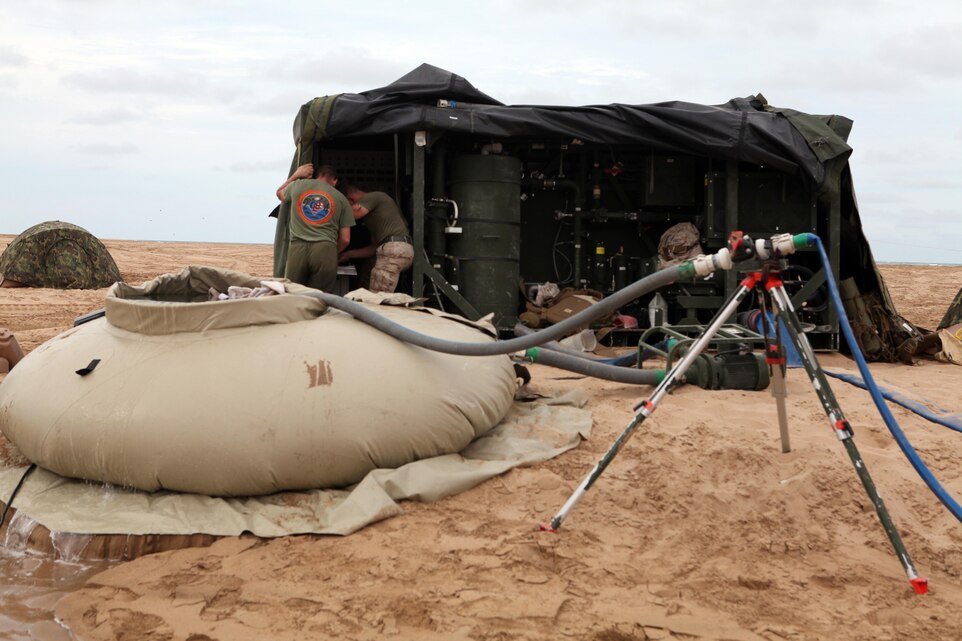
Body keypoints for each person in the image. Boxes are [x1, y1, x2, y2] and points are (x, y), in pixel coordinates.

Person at [275, 163, 354, 292]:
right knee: (320, 298)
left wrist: (296, 175)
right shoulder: (342, 199)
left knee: (293, 293)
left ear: (317, 176)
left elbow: (279, 193)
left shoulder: (298, 185)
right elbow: (345, 239)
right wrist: (333, 253)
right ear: (334, 181)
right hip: (325, 249)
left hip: (297, 248)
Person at [338, 185, 413, 293]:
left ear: (350, 200)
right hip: (398, 249)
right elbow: (374, 248)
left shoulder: (374, 196)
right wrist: (348, 254)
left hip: (394, 249)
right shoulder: (375, 219)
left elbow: (353, 214)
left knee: (378, 296)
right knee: (370, 282)